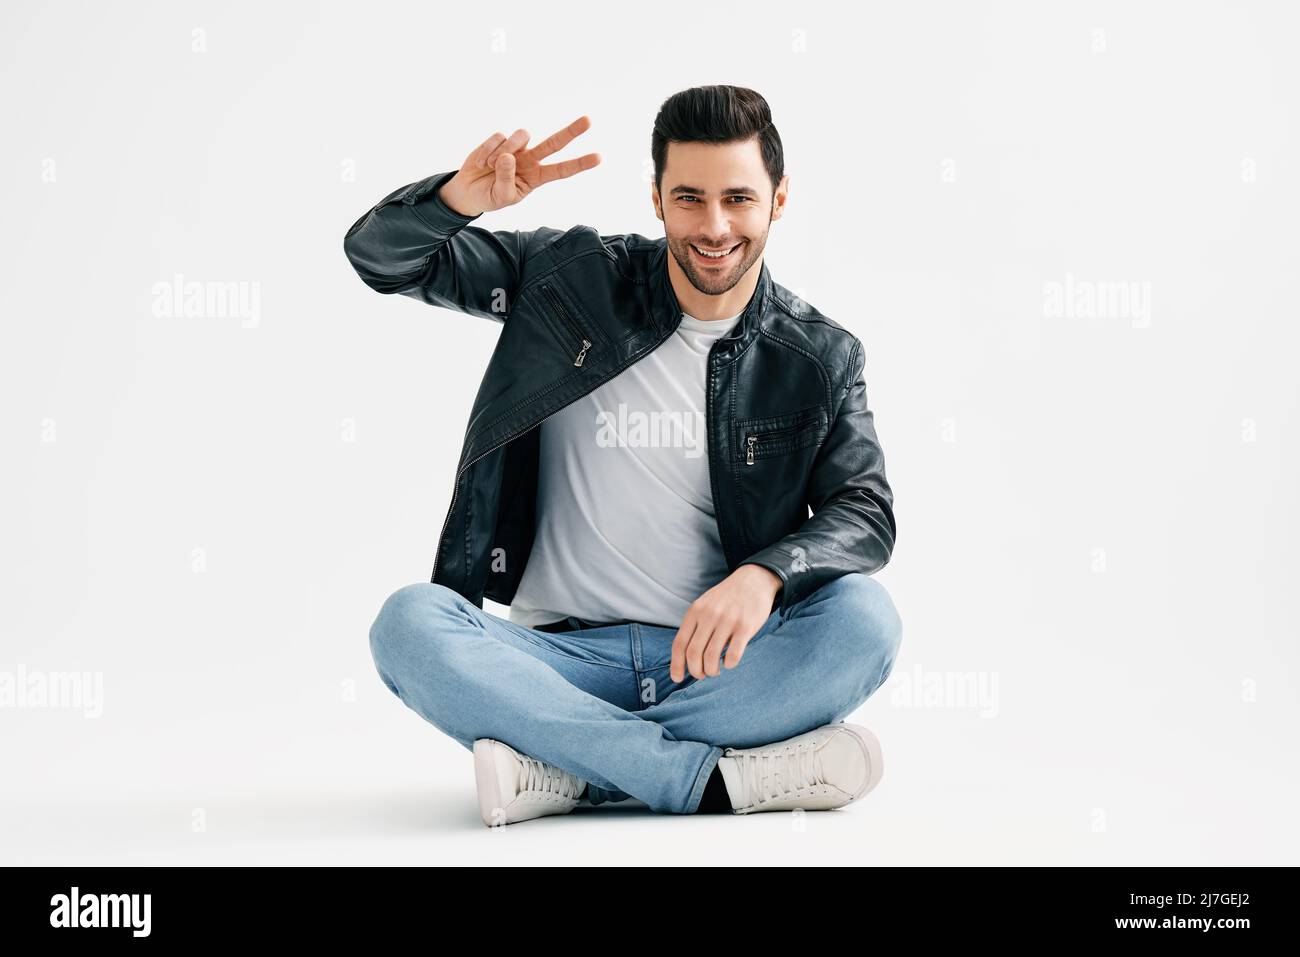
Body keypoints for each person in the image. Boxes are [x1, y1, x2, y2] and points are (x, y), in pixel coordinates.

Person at [344, 85, 903, 827]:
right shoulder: (566, 279)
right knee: (409, 624)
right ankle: (708, 781)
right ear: (656, 198)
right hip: (553, 665)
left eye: (738, 198)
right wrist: (456, 202)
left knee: (865, 619)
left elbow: (864, 510)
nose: (714, 226)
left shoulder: (820, 356)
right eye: (689, 198)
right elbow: (381, 257)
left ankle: (573, 769)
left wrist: (765, 576)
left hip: (717, 669)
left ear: (779, 198)